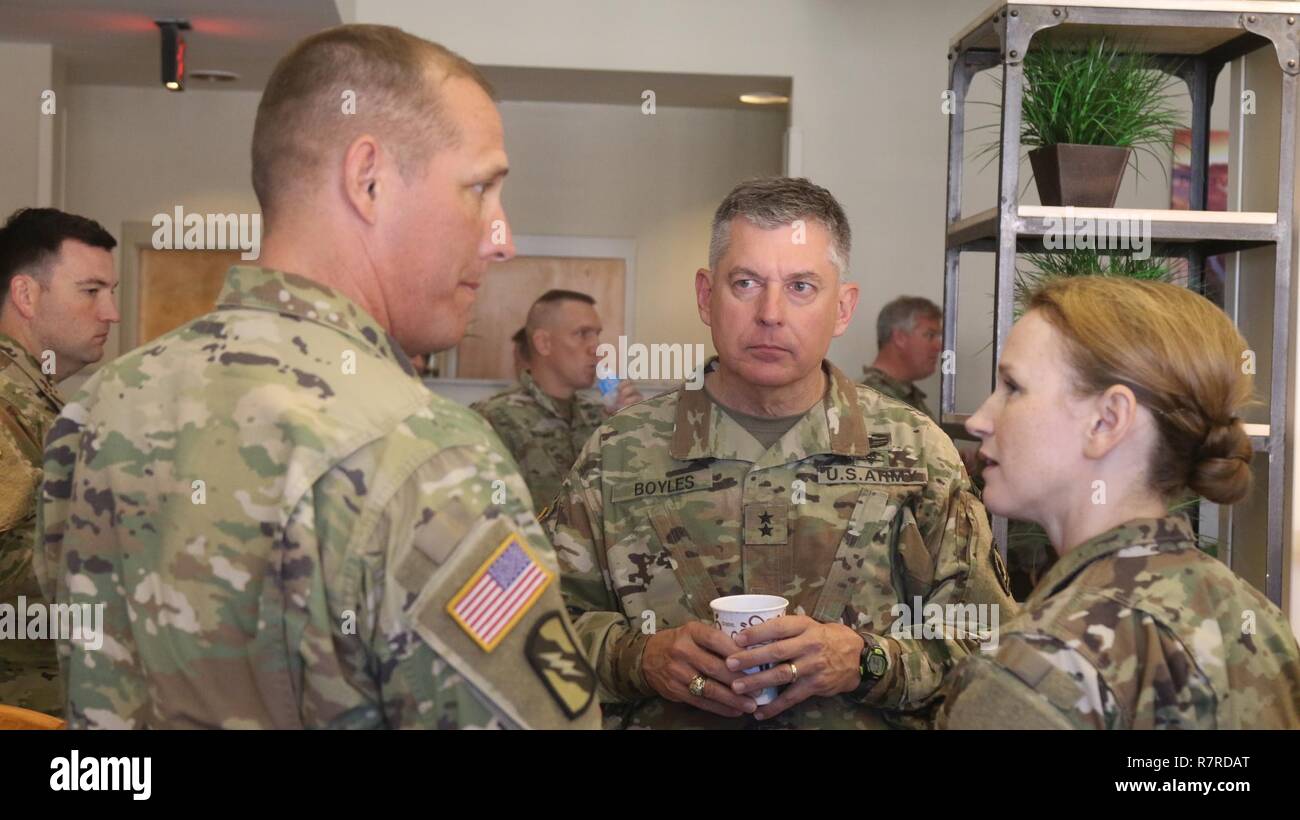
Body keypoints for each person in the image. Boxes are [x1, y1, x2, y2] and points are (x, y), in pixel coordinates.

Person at [36, 24, 599, 730]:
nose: (501, 237)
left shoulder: (100, 409)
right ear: (369, 180)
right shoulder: (428, 456)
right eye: (479, 189)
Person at [542, 177, 1015, 729]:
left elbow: (991, 644)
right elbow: (534, 631)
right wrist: (640, 659)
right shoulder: (618, 455)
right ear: (705, 296)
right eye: (745, 283)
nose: (770, 313)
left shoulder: (917, 453)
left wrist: (867, 660)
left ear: (843, 308)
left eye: (800, 287)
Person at [938, 276, 1300, 729]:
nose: (978, 421)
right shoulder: (1257, 620)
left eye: (1013, 387)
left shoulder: (1039, 668)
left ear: (1106, 421)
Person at [0, 207, 119, 717]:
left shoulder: (33, 398)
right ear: (26, 295)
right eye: (91, 291)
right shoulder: (8, 402)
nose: (111, 312)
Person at [473, 290, 640, 516]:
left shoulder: (600, 417)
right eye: (582, 334)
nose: (596, 347)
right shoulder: (494, 417)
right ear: (544, 343)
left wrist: (630, 430)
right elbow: (493, 513)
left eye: (597, 335)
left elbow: (629, 499)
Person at [861, 296, 942, 420]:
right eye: (930, 335)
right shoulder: (869, 399)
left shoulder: (904, 395)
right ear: (900, 338)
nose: (938, 346)